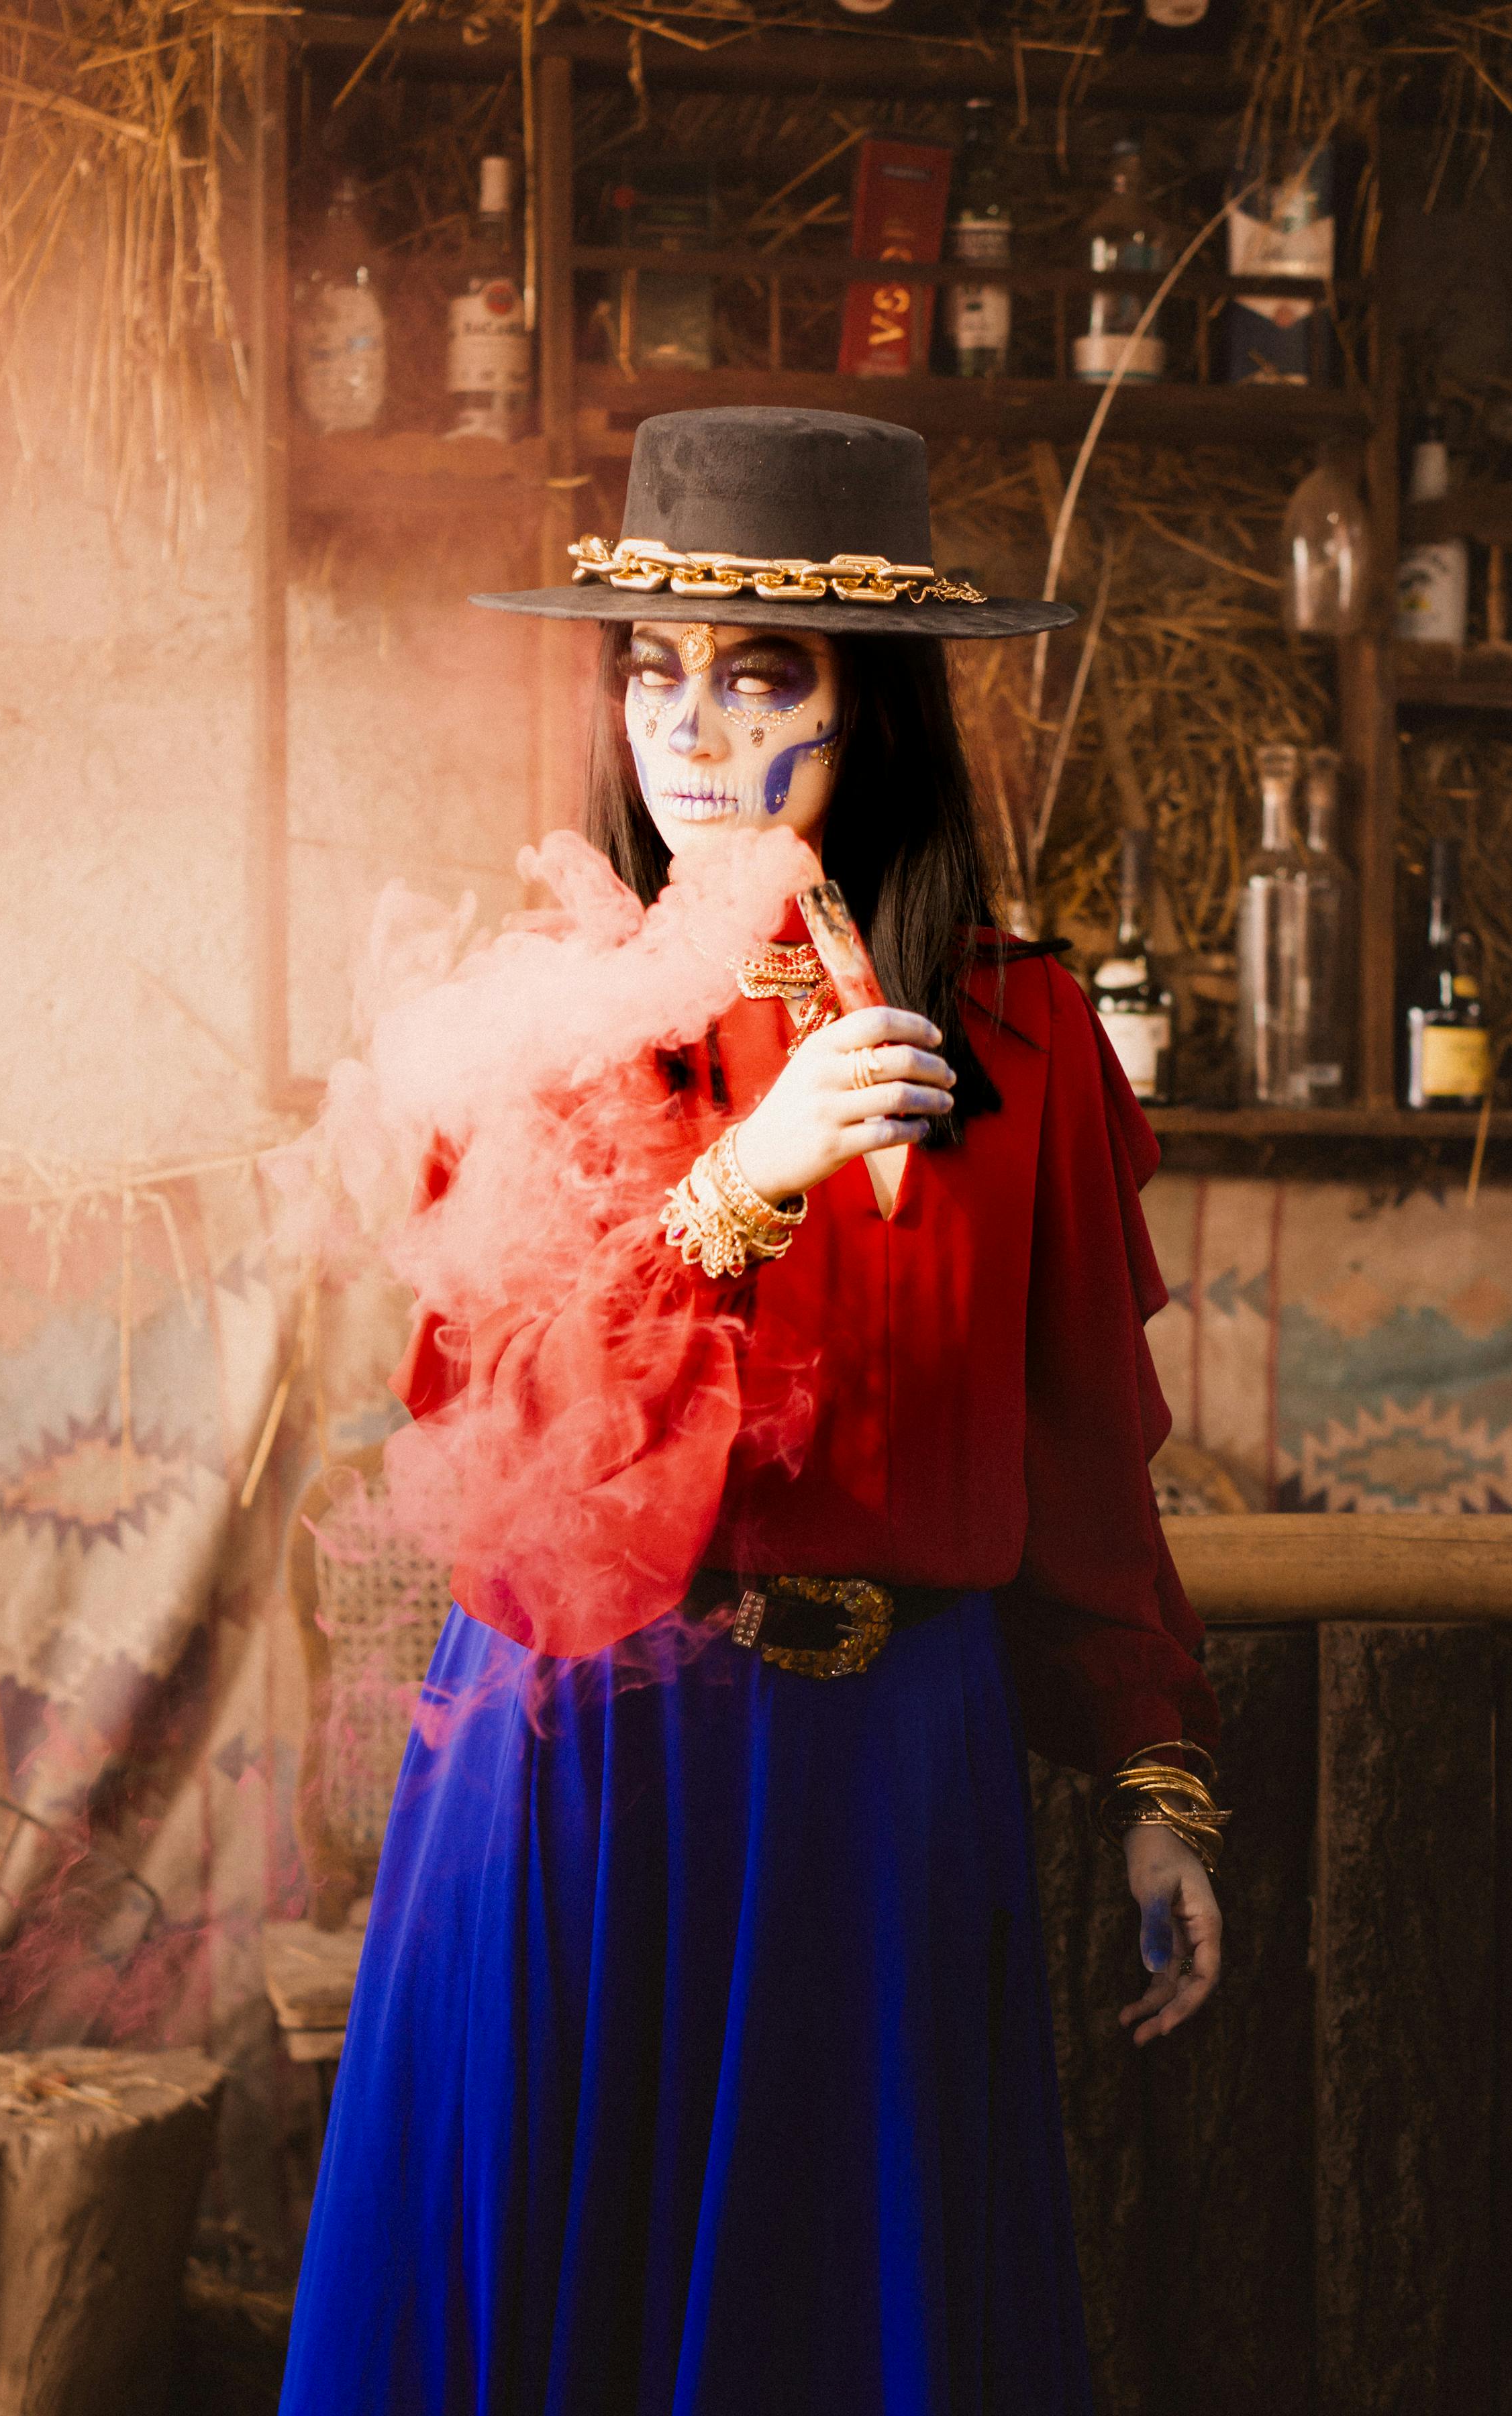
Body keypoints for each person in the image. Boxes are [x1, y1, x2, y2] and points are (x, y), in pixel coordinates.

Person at [279, 407, 1227, 2416]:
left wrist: (1153, 1777)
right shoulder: (541, 1014)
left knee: (841, 2324)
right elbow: (503, 1444)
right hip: (590, 1758)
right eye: (651, 672)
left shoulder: (1026, 1029)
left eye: (757, 674)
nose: (689, 733)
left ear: (872, 707)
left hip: (891, 1772)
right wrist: (740, 1180)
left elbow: (1076, 1456)